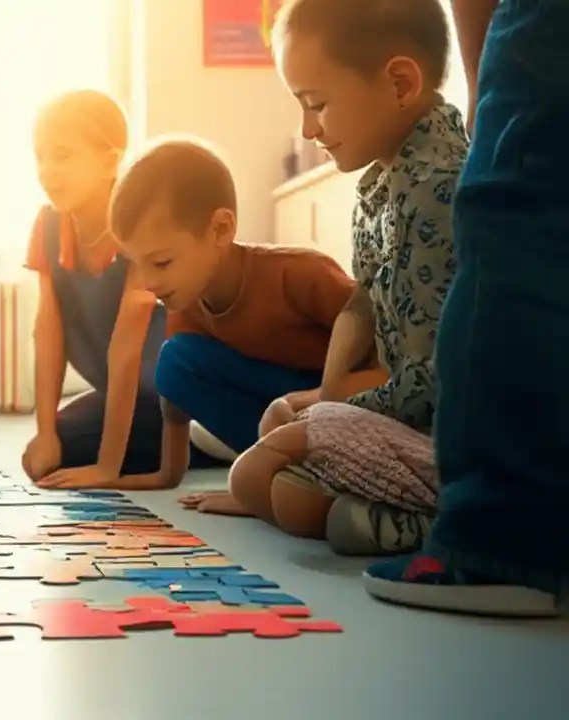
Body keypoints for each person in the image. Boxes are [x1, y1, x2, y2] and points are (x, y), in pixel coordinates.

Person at [182, 0, 468, 557]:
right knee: (285, 430)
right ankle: (369, 505)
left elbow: (432, 388)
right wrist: (326, 396)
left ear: (400, 83)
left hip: (452, 436)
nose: (307, 129)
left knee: (284, 474)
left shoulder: (437, 192)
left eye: (317, 105)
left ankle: (447, 521)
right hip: (399, 417)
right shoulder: (379, 186)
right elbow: (362, 302)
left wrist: (327, 419)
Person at [364, 0, 568, 618]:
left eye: (315, 104)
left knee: (514, 226)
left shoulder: (430, 182)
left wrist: (486, 77)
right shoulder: (375, 193)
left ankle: (496, 540)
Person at [46, 138, 368, 492]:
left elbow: (388, 353)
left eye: (162, 262)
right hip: (280, 422)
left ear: (220, 229)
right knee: (174, 361)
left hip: (345, 407)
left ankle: (301, 475)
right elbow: (175, 400)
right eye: (137, 265)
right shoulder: (187, 303)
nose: (149, 282)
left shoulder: (299, 273)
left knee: (182, 364)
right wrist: (166, 476)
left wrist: (319, 398)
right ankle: (274, 473)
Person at [18, 90, 192, 490]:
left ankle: (209, 438)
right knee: (42, 458)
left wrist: (107, 469)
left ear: (110, 161)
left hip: (168, 394)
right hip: (121, 396)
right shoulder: (48, 224)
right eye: (39, 156)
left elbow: (128, 349)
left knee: (104, 449)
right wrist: (45, 430)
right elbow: (48, 332)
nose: (46, 169)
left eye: (61, 155)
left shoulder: (137, 221)